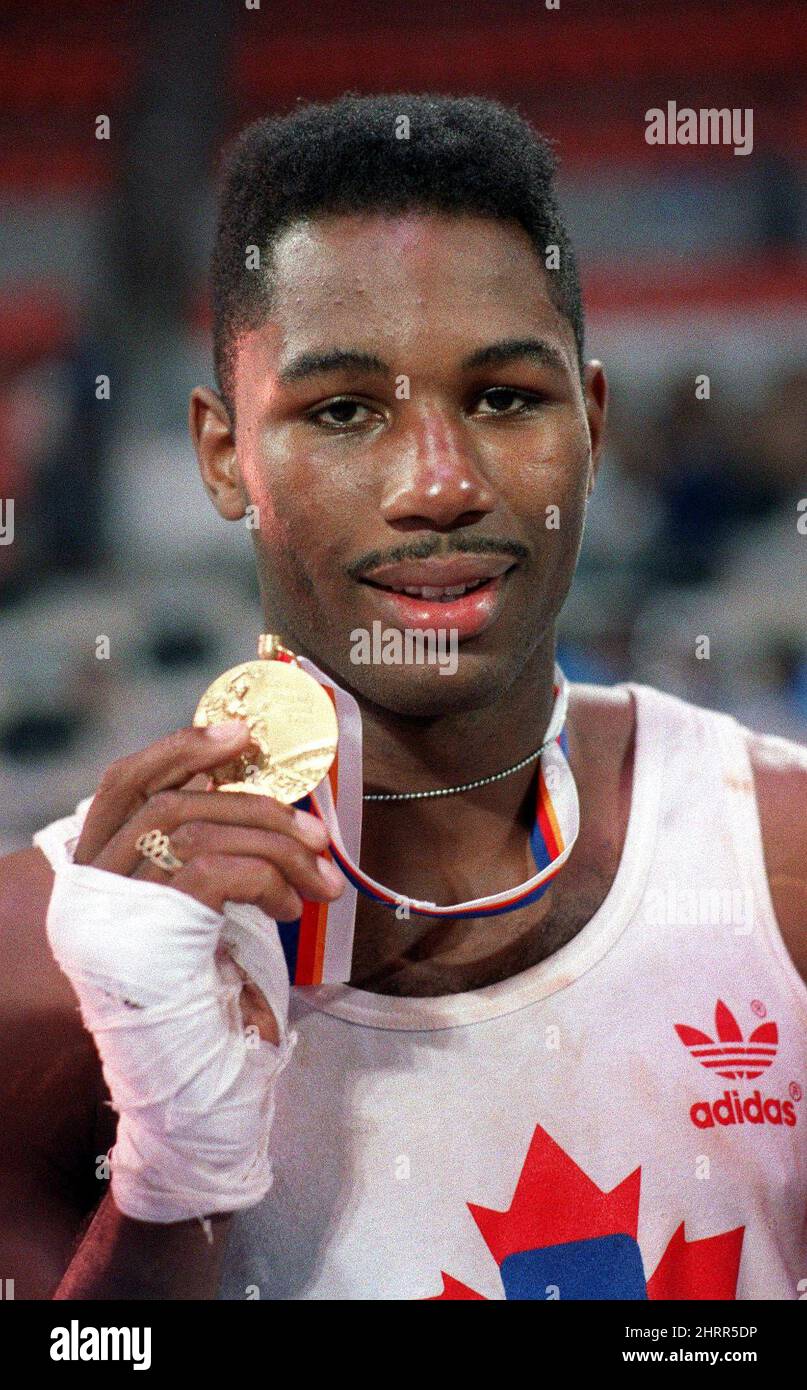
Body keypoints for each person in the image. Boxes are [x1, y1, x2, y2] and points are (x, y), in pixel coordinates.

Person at [0, 94, 804, 1302]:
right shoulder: (33, 962)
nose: (439, 484)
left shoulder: (782, 862)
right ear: (225, 455)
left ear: (591, 419)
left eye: (503, 399)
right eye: (343, 411)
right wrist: (174, 1178)